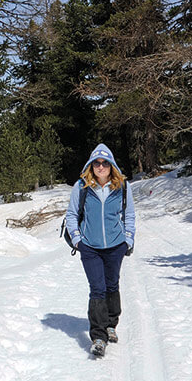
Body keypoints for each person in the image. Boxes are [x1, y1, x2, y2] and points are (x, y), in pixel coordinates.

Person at [64, 143, 136, 357]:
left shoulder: (121, 186)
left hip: (115, 246)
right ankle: (98, 337)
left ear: (111, 165)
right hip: (90, 247)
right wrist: (78, 240)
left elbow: (129, 215)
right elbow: (71, 214)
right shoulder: (82, 186)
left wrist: (128, 240)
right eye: (97, 163)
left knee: (112, 285)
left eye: (105, 163)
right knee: (97, 288)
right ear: (91, 165)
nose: (101, 166)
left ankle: (111, 324)